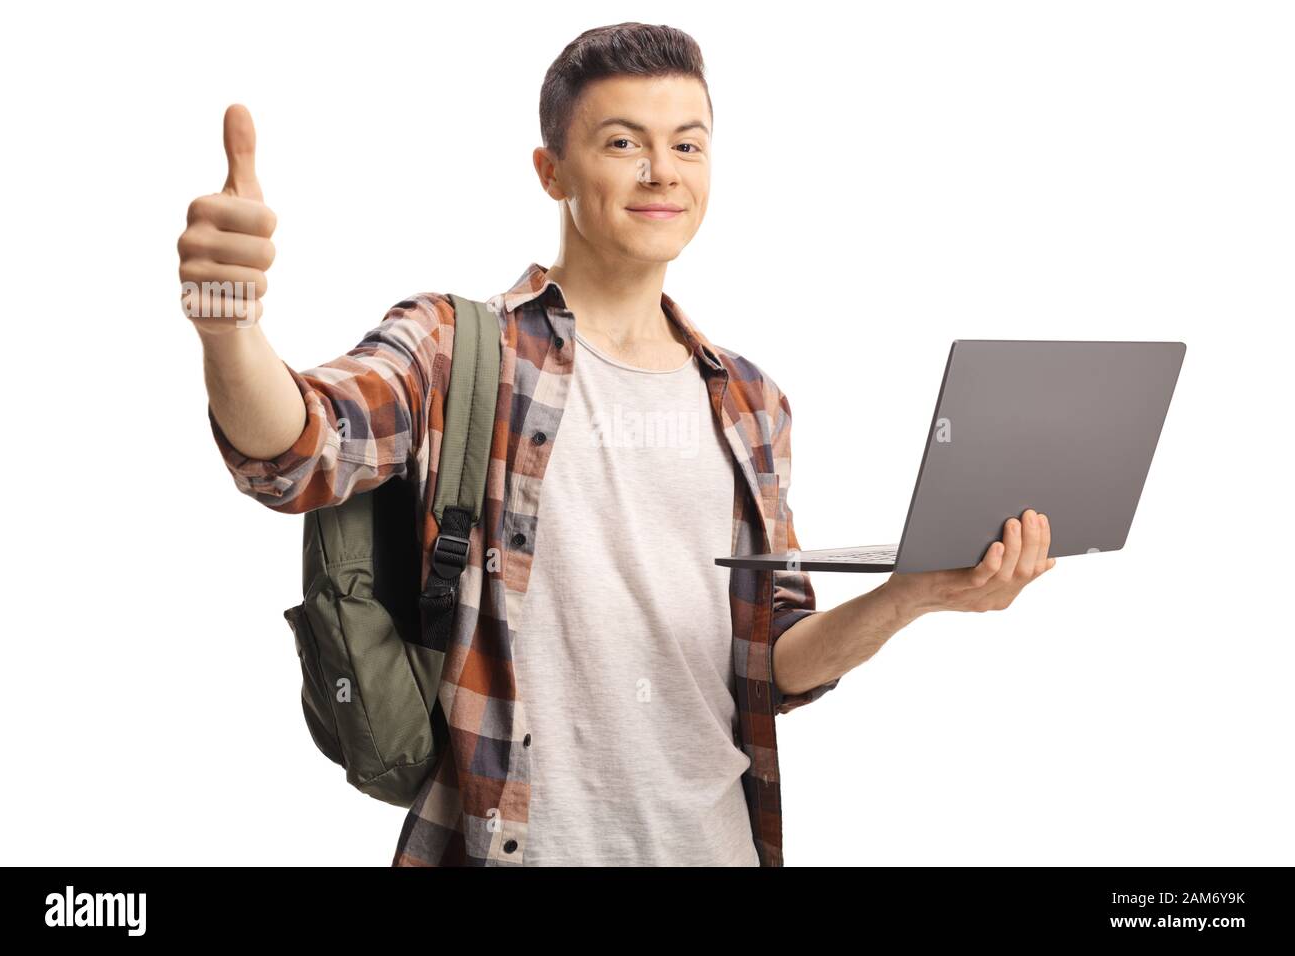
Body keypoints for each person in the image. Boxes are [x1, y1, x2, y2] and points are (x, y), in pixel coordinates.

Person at [177, 21, 1055, 867]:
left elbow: (776, 660)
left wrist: (912, 596)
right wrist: (230, 328)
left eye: (687, 144)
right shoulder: (455, 345)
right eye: (624, 143)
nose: (661, 171)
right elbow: (298, 451)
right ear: (550, 169)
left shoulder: (753, 401)